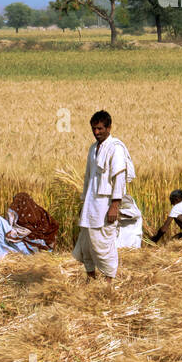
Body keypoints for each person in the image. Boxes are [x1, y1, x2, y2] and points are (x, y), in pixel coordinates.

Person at [71, 110, 138, 281]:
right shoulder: (93, 148)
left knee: (103, 244)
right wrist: (83, 204)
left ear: (109, 127)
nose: (96, 132)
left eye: (100, 129)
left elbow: (119, 177)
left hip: (105, 204)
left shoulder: (115, 148)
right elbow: (88, 178)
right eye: (94, 129)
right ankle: (91, 278)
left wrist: (115, 205)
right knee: (86, 243)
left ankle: (109, 280)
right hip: (91, 204)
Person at [0, 192, 59, 259]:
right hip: (40, 250)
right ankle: (8, 248)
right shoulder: (39, 212)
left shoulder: (23, 216)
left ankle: (2, 250)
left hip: (25, 248)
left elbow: (12, 228)